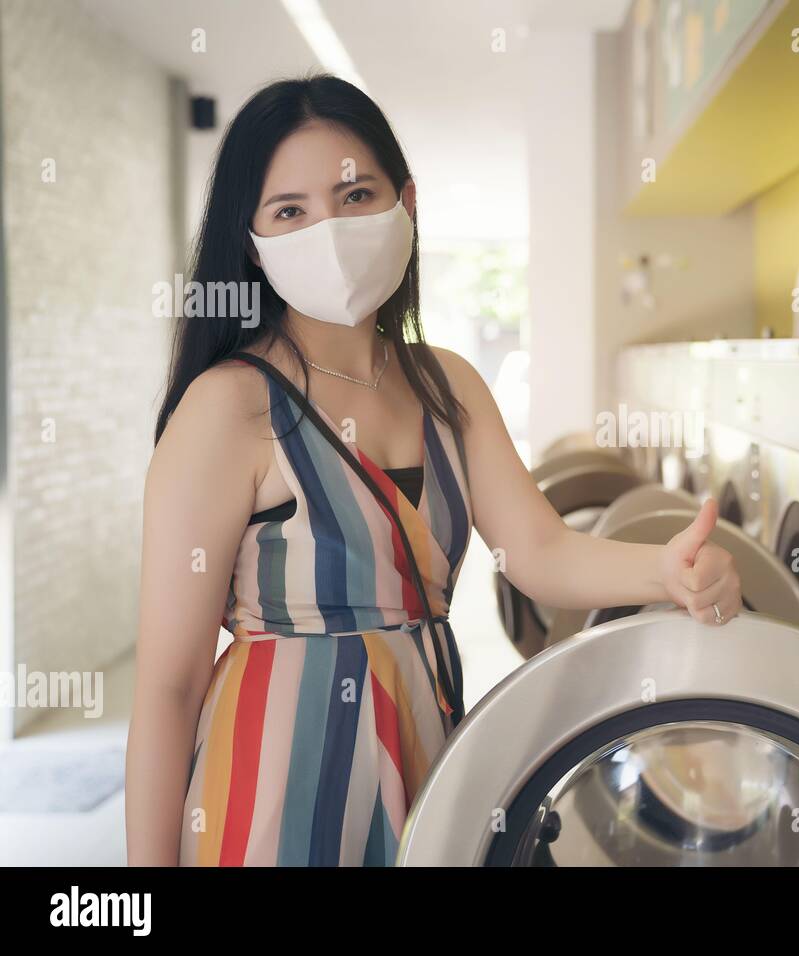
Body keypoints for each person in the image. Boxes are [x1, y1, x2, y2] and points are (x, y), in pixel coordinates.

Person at [126, 75, 741, 867]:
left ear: (405, 202)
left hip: (429, 752)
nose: (330, 227)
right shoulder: (230, 406)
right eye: (291, 211)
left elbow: (541, 554)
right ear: (253, 244)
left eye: (355, 195)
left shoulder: (445, 384)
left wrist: (668, 569)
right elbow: (169, 686)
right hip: (272, 791)